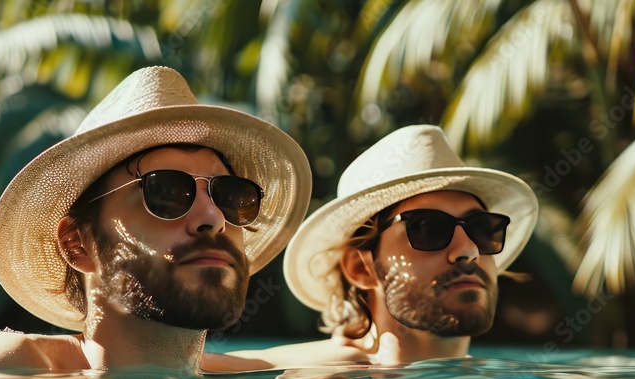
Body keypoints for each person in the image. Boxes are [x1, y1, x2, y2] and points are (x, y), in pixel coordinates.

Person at [0, 66, 311, 372]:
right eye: (167, 192)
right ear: (77, 244)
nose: (213, 218)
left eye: (230, 196)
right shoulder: (10, 368)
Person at [227, 125, 538, 366]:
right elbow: (185, 368)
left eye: (483, 230)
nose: (468, 250)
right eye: (428, 228)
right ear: (361, 267)